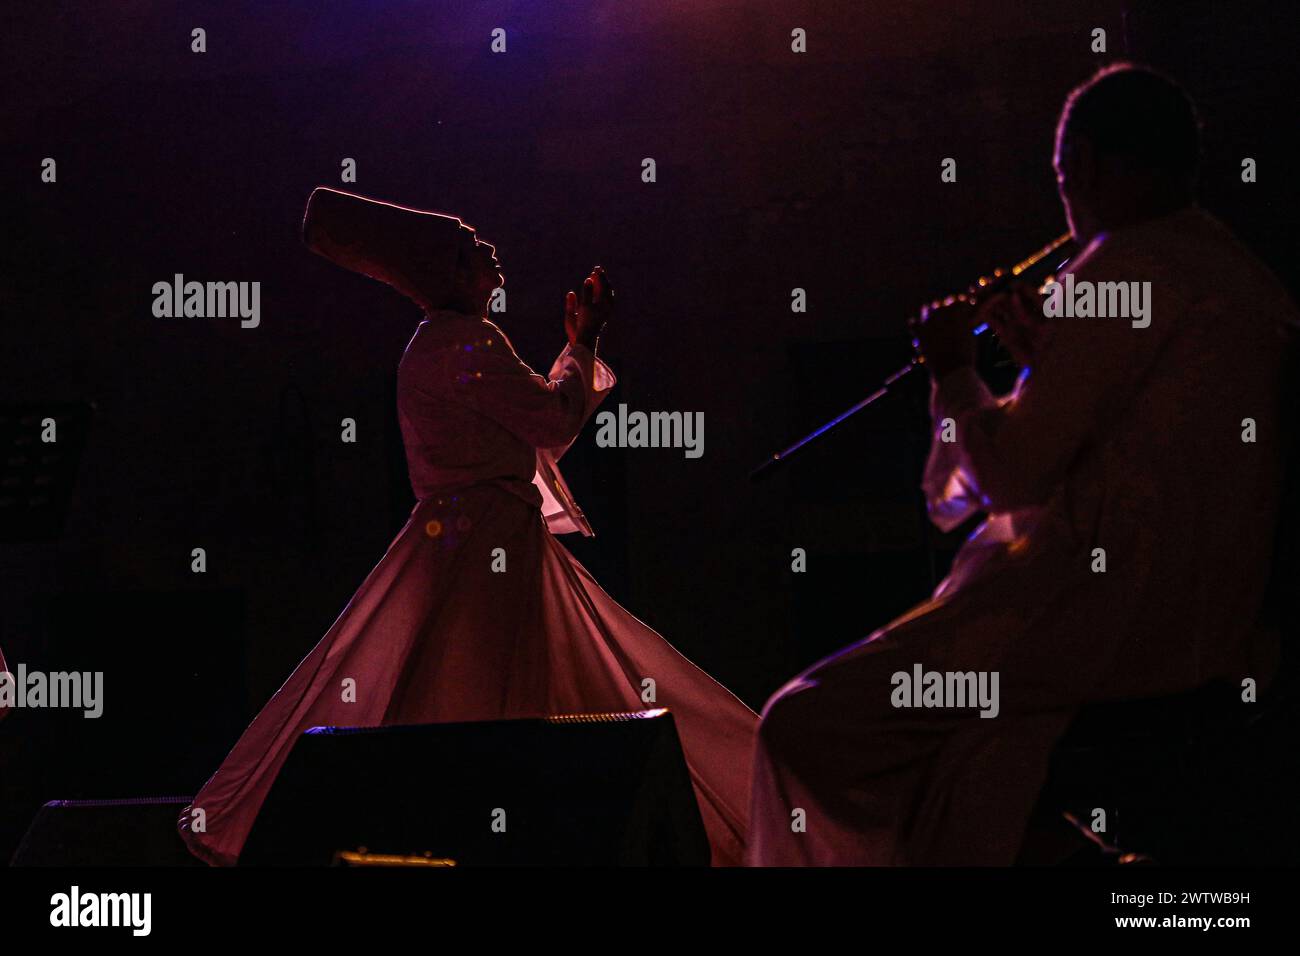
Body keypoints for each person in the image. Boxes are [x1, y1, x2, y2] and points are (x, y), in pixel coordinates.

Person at [747, 63, 1295, 865]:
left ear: (1092, 169)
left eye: (1065, 179)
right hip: (1207, 624)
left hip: (1089, 617)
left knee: (803, 723)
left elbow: (1006, 481)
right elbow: (1144, 440)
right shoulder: (1248, 281)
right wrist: (1043, 358)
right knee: (975, 767)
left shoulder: (1115, 267)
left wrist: (952, 371)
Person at [180, 187, 756, 866]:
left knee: (470, 690)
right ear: (454, 271)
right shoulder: (462, 339)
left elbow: (526, 435)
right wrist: (584, 344)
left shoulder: (446, 342)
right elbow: (548, 420)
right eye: (472, 244)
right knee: (496, 692)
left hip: (476, 539)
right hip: (483, 548)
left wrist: (572, 361)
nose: (489, 247)